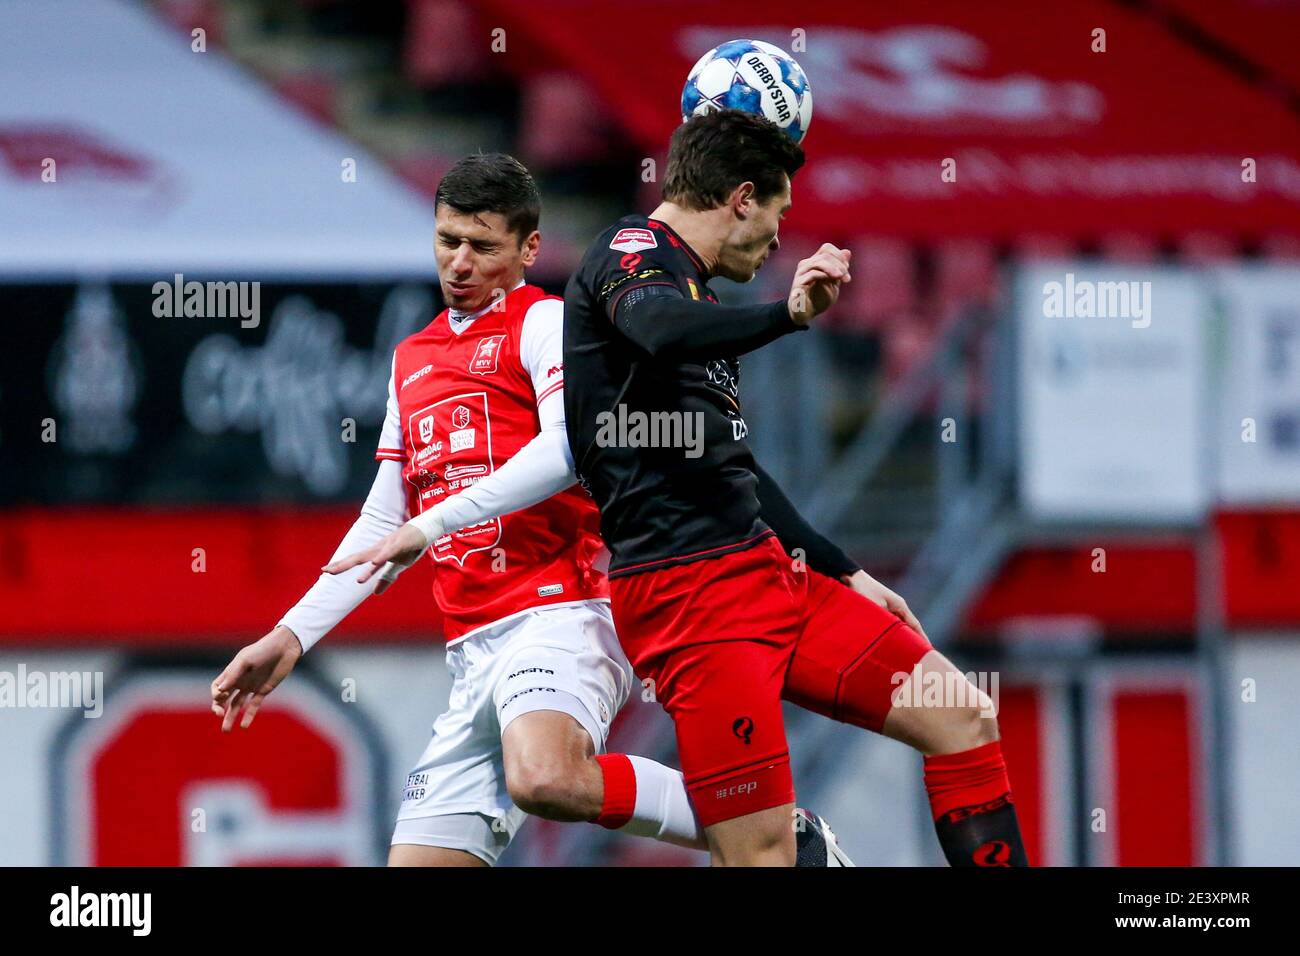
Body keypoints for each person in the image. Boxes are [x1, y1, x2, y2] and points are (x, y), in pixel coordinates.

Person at [558, 110, 1030, 867]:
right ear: (742, 197)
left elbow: (733, 468)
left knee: (962, 716)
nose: (780, 238)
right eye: (778, 213)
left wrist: (846, 570)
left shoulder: (698, 298)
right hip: (691, 602)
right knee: (762, 854)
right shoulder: (631, 252)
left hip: (770, 574)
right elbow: (656, 328)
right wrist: (787, 315)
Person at [211, 153, 712, 867]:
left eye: (483, 245)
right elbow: (384, 520)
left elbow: (566, 447)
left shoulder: (546, 324)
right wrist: (290, 637)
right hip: (471, 651)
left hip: (559, 614)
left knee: (543, 775)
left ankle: (762, 822)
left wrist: (433, 523)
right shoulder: (411, 359)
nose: (460, 262)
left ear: (529, 248)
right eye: (448, 241)